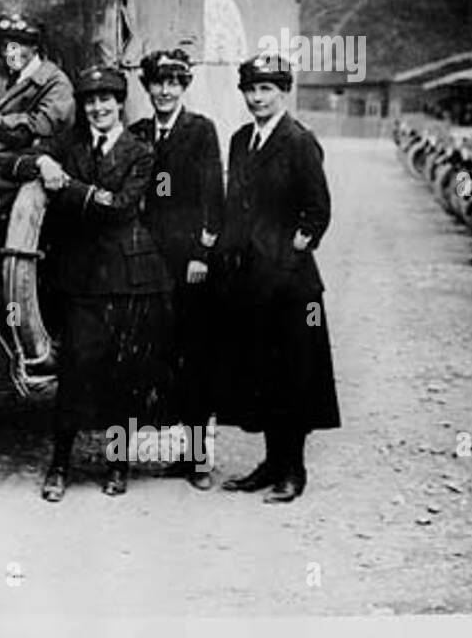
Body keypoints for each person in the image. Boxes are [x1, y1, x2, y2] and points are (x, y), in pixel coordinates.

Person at [21, 65, 173, 500]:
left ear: (120, 103)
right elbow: (24, 160)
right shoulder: (71, 147)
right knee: (75, 372)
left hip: (125, 280)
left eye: (106, 99)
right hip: (80, 279)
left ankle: (117, 465)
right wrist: (45, 161)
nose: (99, 107)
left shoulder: (140, 151)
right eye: (91, 101)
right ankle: (60, 466)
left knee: (123, 375)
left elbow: (122, 208)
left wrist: (67, 185)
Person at [217, 50, 340, 503]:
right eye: (250, 89)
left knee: (296, 374)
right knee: (262, 373)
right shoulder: (239, 140)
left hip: (292, 287)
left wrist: (289, 254)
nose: (257, 97)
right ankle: (270, 463)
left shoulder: (299, 141)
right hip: (251, 282)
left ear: (283, 91)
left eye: (266, 88)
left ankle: (294, 470)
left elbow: (318, 212)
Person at [129, 49, 224, 488]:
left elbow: (213, 198)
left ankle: (199, 459)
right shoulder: (139, 132)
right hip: (150, 263)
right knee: (158, 355)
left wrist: (202, 254)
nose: (165, 90)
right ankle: (174, 452)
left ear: (184, 86)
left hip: (189, 264)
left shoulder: (200, 131)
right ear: (146, 87)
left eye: (173, 82)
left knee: (197, 357)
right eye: (157, 82)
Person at [0, 12, 75, 160]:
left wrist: (0, 121)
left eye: (19, 46)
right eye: (5, 46)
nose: (12, 53)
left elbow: (44, 123)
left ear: (35, 47)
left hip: (32, 157)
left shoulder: (56, 82)